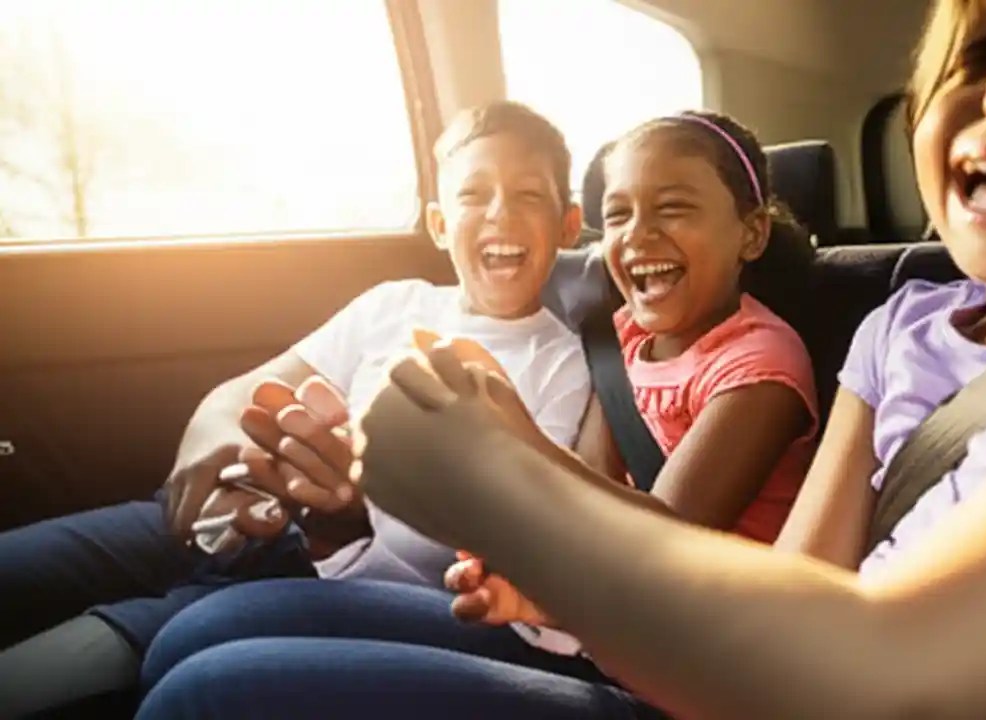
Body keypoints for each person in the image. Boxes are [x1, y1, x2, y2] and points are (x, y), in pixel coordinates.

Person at [140, 0, 986, 718]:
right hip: (757, 679)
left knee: (216, 693)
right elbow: (797, 583)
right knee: (202, 642)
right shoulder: (902, 329)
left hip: (831, 682)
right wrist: (561, 573)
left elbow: (899, 669)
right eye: (970, 55)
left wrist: (502, 481)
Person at [135, 111, 821, 718]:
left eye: (672, 208)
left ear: (751, 234)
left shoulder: (761, 363)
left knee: (205, 690)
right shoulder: (622, 344)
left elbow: (666, 543)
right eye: (618, 214)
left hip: (670, 679)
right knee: (196, 633)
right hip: (568, 624)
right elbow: (579, 504)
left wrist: (506, 437)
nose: (638, 235)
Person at [0, 100, 592, 718]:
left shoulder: (564, 365)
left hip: (330, 582)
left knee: (45, 674)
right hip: (233, 522)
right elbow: (237, 395)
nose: (500, 214)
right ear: (440, 224)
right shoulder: (396, 304)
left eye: (528, 196)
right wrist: (215, 454)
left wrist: (345, 514)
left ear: (569, 223)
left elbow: (504, 533)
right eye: (474, 195)